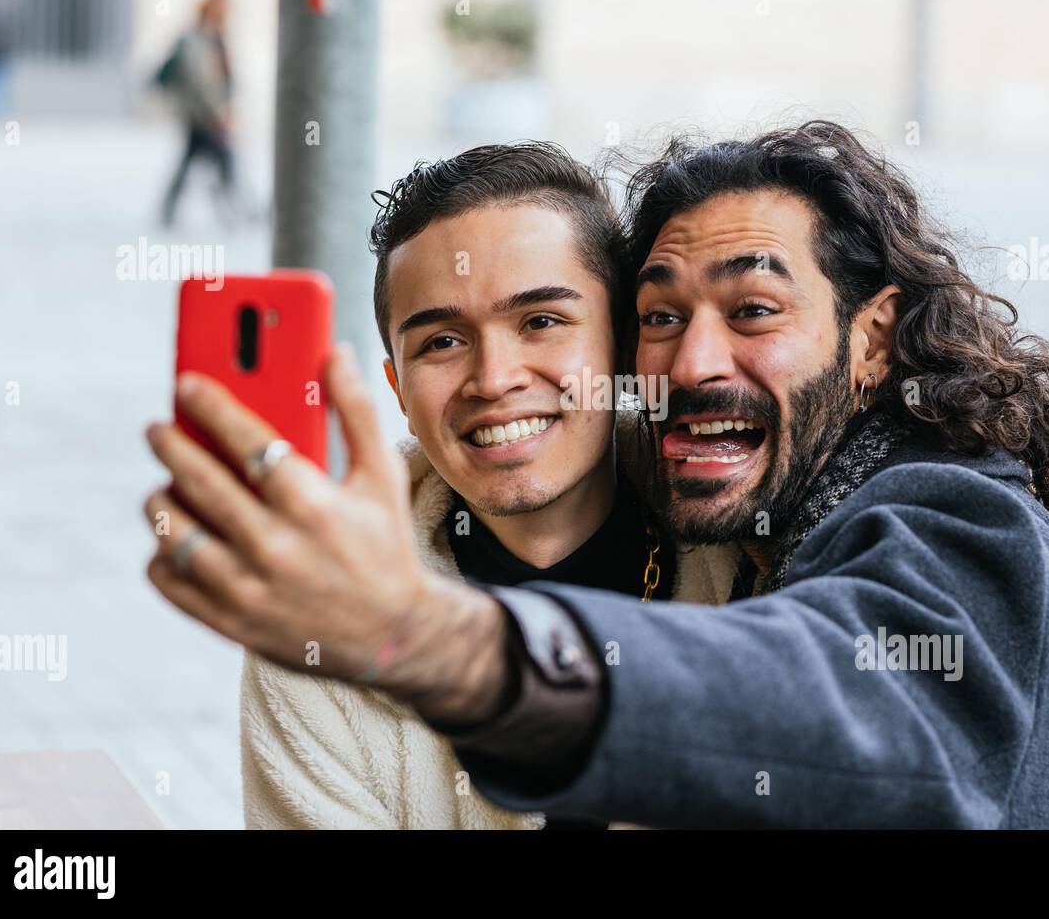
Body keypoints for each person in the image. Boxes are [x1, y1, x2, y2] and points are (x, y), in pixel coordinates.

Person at [143, 121, 1049, 828]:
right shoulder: (740, 519)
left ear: (871, 335)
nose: (698, 361)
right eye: (663, 316)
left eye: (754, 310)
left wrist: (428, 640)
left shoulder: (953, 514)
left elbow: (847, 705)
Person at [234, 143, 734, 828]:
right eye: (441, 341)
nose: (494, 378)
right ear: (398, 392)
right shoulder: (317, 629)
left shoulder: (745, 561)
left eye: (541, 322)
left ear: (621, 345)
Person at [157, 0, 238, 227]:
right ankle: (231, 204)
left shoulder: (217, 37)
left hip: (209, 113)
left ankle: (172, 208)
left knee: (193, 160)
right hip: (200, 114)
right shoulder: (195, 39)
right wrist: (217, 113)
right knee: (223, 158)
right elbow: (199, 83)